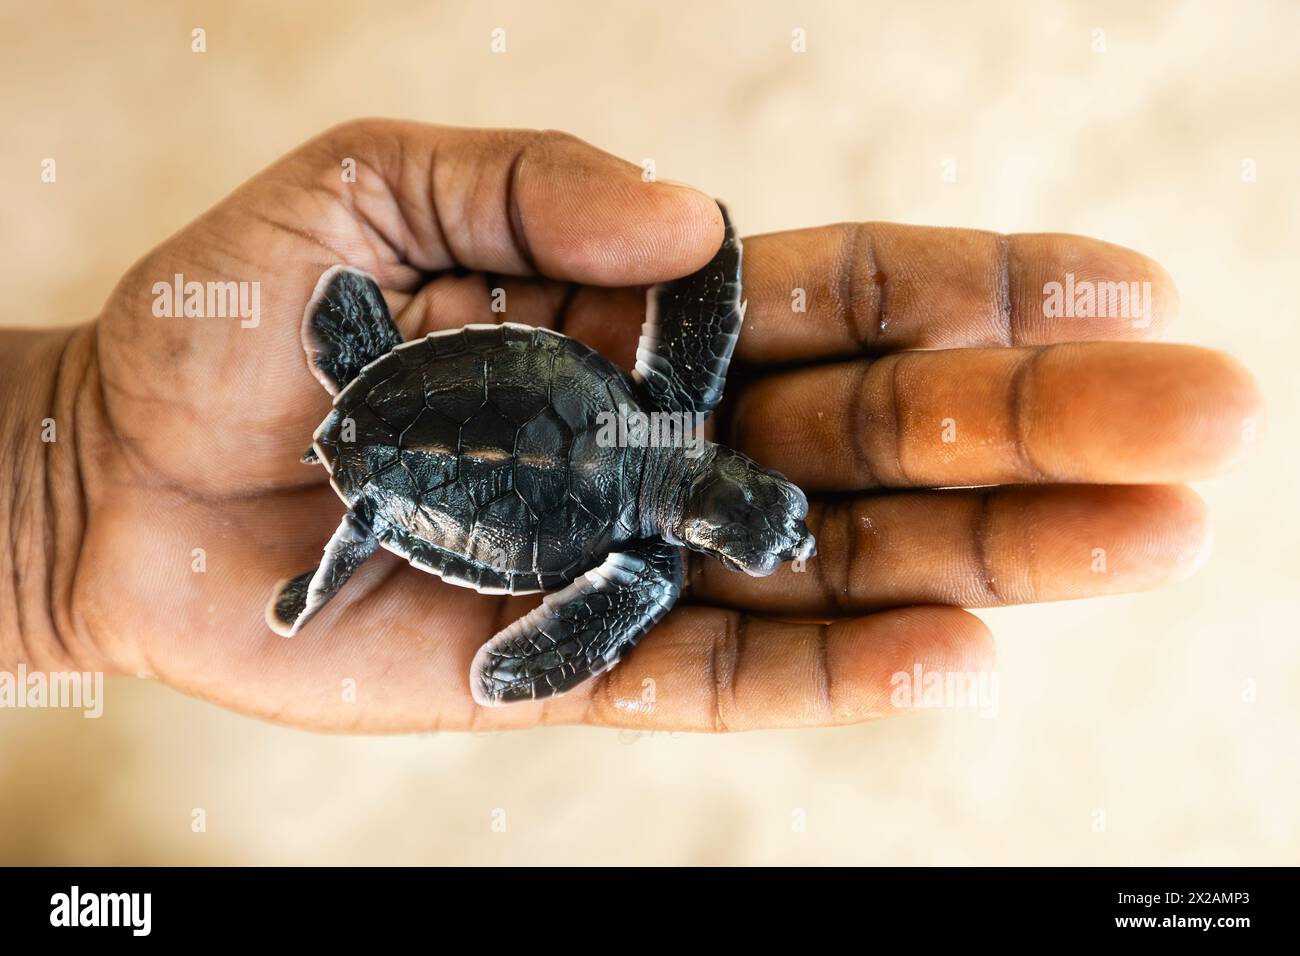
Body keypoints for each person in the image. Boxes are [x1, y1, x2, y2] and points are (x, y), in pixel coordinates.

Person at [0, 120, 1261, 733]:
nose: (775, 539)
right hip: (395, 463)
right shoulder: (641, 566)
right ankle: (347, 533)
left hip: (416, 418)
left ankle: (352, 513)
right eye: (769, 530)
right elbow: (513, 661)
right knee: (378, 500)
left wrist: (53, 502)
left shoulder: (662, 405)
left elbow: (698, 271)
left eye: (766, 535)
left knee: (395, 478)